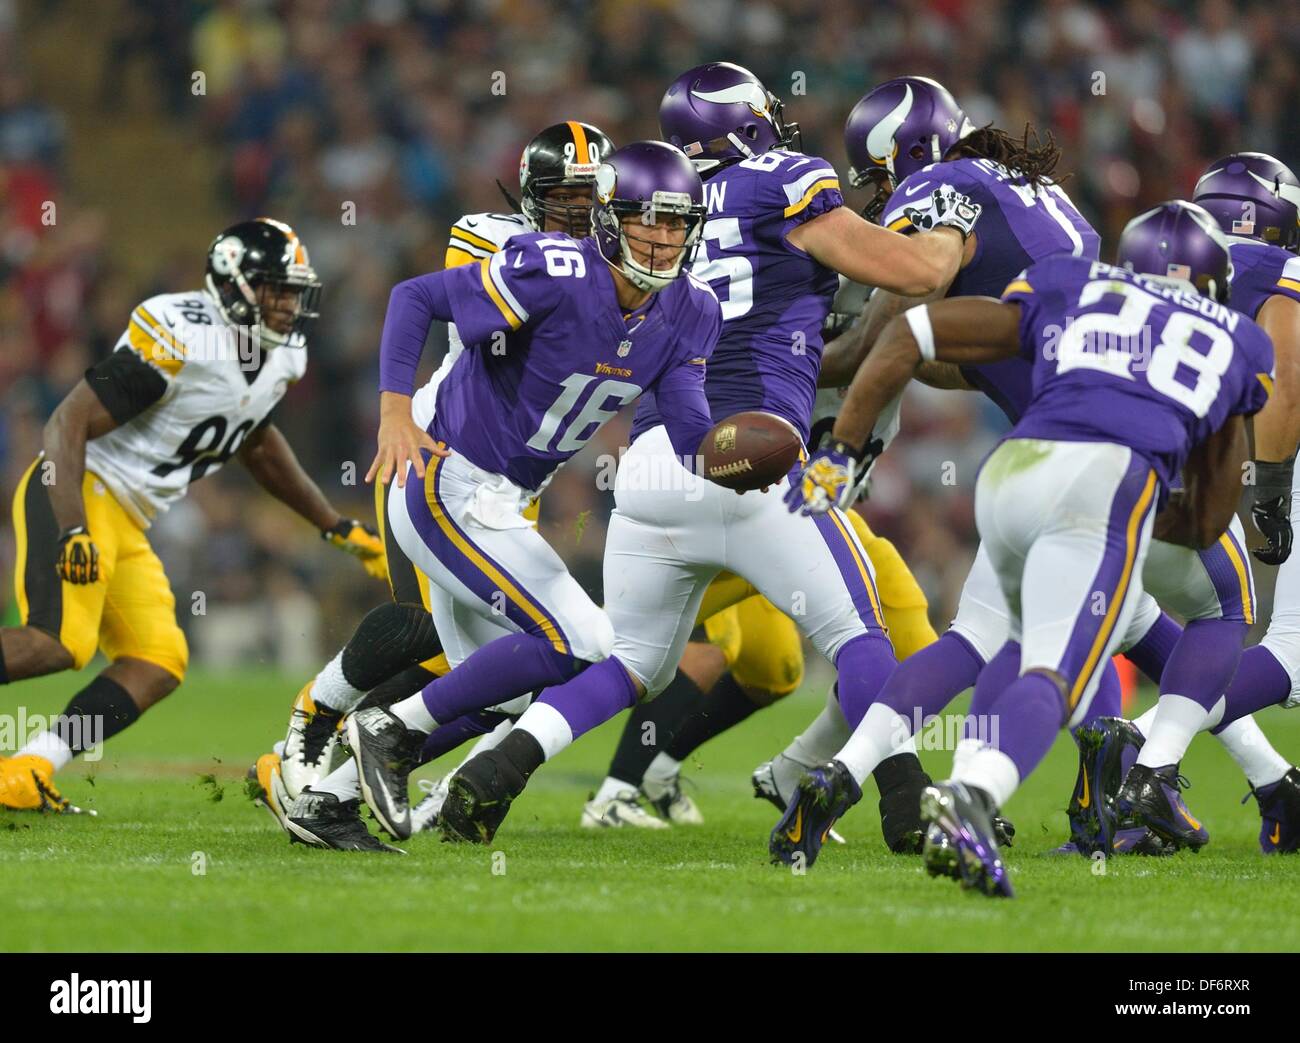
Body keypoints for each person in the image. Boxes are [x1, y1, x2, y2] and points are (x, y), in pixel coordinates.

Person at [785, 201, 1273, 896]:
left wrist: (838, 450)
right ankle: (975, 799)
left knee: (1001, 642)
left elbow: (911, 333)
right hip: (1107, 481)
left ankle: (936, 780)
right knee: (1058, 676)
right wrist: (1137, 521)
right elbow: (1207, 519)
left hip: (1011, 471)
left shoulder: (1067, 282)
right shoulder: (1240, 339)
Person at [0, 219, 385, 811]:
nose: (288, 305)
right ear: (233, 288)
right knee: (58, 643)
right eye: (275, 289)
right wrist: (74, 528)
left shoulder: (283, 358)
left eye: (292, 291)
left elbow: (256, 442)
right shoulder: (183, 333)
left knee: (156, 661)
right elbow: (67, 422)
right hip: (79, 486)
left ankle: (28, 767)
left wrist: (332, 524)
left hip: (128, 513)